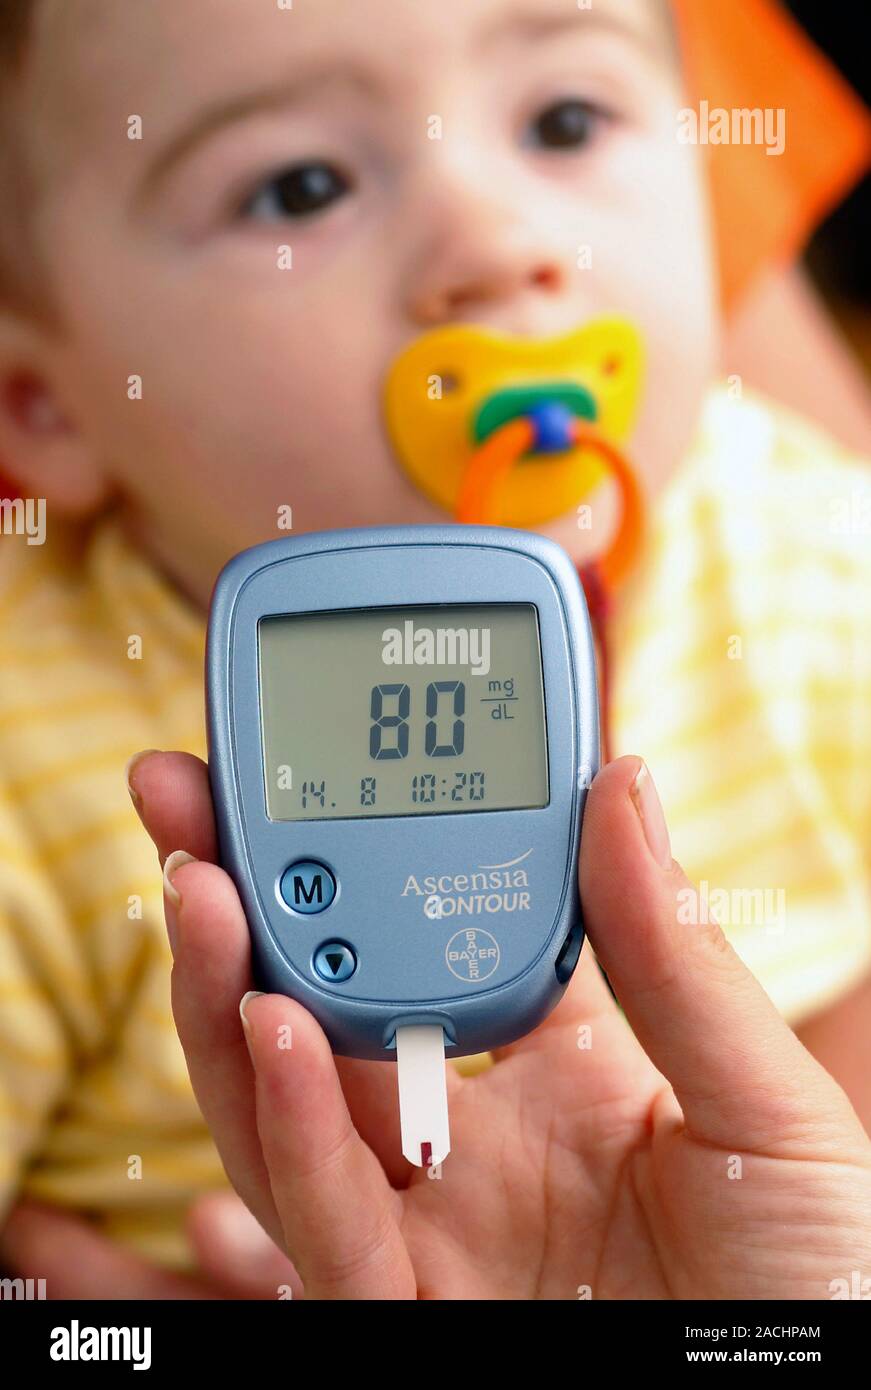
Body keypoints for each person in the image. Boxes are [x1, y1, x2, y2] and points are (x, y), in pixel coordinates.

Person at [0, 0, 869, 1297]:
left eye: (564, 119)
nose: (499, 242)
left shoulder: (809, 553)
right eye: (301, 185)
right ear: (48, 405)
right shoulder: (25, 750)